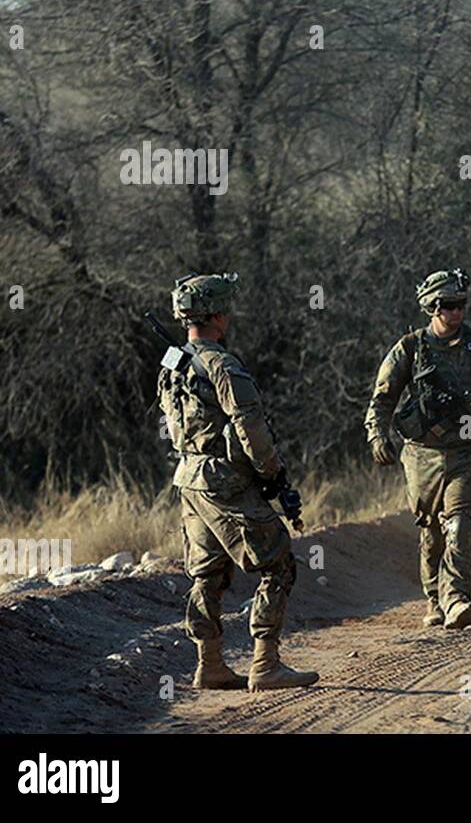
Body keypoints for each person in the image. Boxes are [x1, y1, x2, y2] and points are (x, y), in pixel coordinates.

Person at [157, 272, 318, 691]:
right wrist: (272, 472)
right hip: (224, 481)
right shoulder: (222, 364)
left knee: (208, 573)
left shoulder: (171, 366)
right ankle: (266, 664)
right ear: (218, 315)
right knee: (278, 561)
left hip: (189, 477)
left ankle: (208, 664)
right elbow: (251, 428)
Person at [365, 269, 471, 629]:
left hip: (468, 452)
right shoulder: (411, 348)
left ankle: (457, 598)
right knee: (431, 530)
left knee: (460, 522)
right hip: (422, 455)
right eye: (448, 306)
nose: (456, 312)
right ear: (432, 308)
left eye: (461, 305)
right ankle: (433, 598)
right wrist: (377, 436)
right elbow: (382, 399)